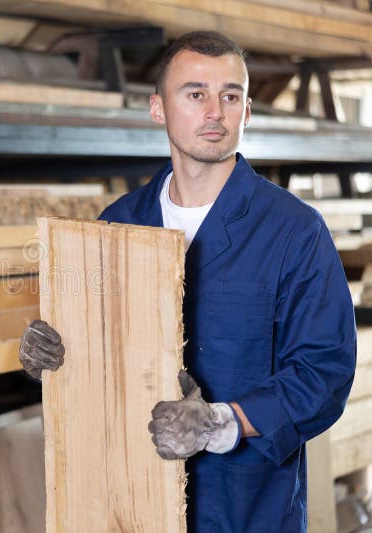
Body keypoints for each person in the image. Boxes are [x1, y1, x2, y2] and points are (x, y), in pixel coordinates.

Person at [19, 31, 356, 532]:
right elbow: (95, 353)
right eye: (195, 93)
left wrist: (223, 423)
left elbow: (324, 373)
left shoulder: (294, 231)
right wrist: (47, 358)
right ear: (159, 109)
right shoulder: (116, 224)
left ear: (247, 112)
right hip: (130, 496)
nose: (215, 111)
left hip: (246, 504)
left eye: (231, 95)